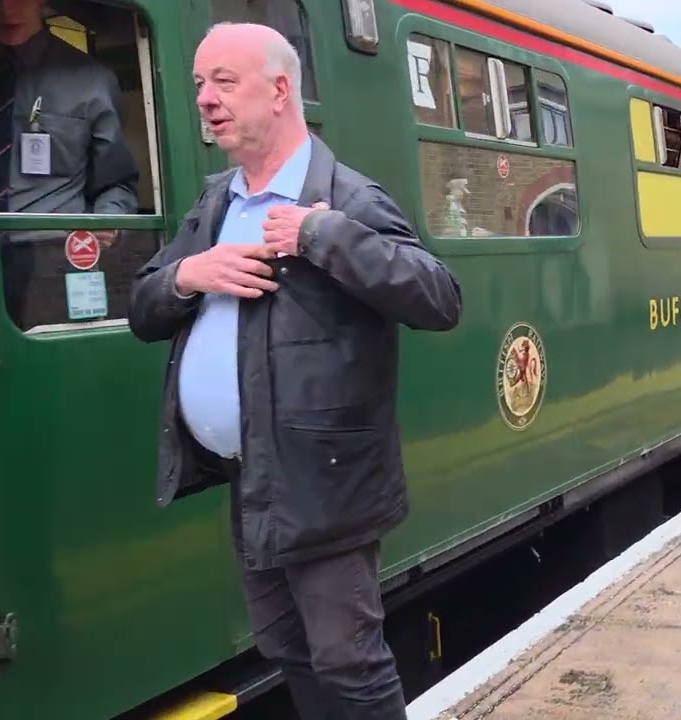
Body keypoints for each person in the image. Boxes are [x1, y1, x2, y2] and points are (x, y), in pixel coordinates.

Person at [128, 22, 463, 720]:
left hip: (327, 480)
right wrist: (189, 275)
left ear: (280, 91)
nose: (205, 99)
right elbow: (143, 308)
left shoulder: (344, 197)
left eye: (224, 81)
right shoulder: (216, 203)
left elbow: (438, 299)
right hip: (249, 475)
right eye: (199, 84)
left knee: (348, 663)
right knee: (286, 647)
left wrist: (322, 234)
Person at [0, 0, 139, 215]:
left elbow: (116, 185)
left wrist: (105, 224)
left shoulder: (91, 80)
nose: (5, 8)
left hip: (53, 233)